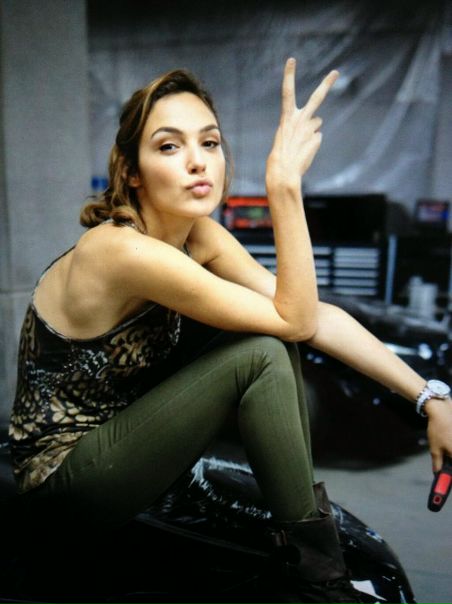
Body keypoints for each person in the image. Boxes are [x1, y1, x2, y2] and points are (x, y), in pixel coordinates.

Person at [8, 58, 452, 604]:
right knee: (260, 351)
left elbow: (315, 317)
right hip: (61, 481)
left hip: (127, 442)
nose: (198, 161)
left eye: (210, 142)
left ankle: (305, 546)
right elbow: (295, 319)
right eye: (169, 146)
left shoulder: (199, 236)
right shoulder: (119, 250)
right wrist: (284, 189)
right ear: (131, 171)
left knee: (269, 341)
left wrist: (431, 398)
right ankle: (320, 582)